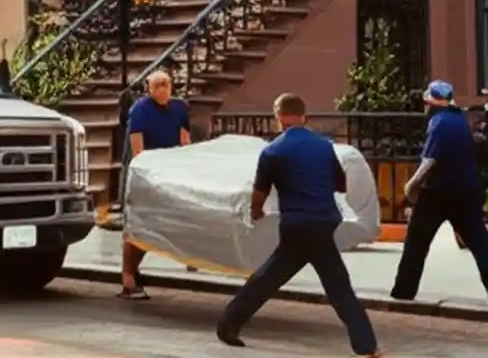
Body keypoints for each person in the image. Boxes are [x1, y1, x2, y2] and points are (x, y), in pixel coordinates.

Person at [216, 93, 380, 357]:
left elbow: (259, 195)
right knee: (339, 287)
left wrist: (256, 213)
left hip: (295, 225)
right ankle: (366, 345)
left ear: (278, 116)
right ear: (304, 116)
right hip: (324, 223)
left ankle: (229, 323)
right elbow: (341, 184)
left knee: (267, 279)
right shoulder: (325, 147)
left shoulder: (272, 151)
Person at [390, 80, 488, 300]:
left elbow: (430, 160)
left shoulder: (439, 122)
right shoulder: (459, 120)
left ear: (431, 102)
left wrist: (411, 187)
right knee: (480, 242)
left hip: (437, 191)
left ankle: (404, 291)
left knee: (417, 242)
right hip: (467, 189)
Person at [119, 70, 191, 300]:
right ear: (148, 88)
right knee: (140, 225)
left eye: (167, 84)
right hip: (145, 174)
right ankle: (128, 278)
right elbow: (138, 150)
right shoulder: (140, 109)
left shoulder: (179, 108)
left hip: (171, 172)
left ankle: (190, 259)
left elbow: (185, 141)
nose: (163, 89)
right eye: (158, 85)